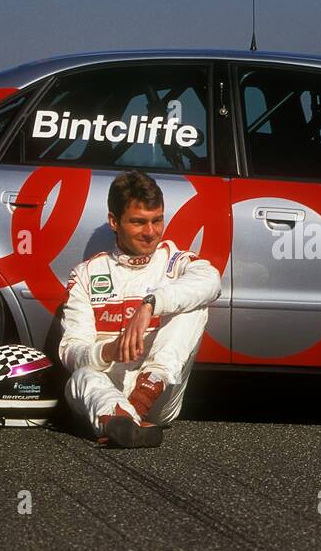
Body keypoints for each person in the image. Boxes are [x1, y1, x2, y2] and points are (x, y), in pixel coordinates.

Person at [59, 170, 221, 447]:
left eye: (157, 220)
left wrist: (151, 304)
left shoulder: (175, 262)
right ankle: (125, 420)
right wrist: (108, 350)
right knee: (80, 377)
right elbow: (70, 352)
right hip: (105, 389)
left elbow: (211, 281)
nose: (150, 233)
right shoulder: (86, 274)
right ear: (114, 221)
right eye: (138, 222)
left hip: (159, 392)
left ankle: (136, 406)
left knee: (193, 304)